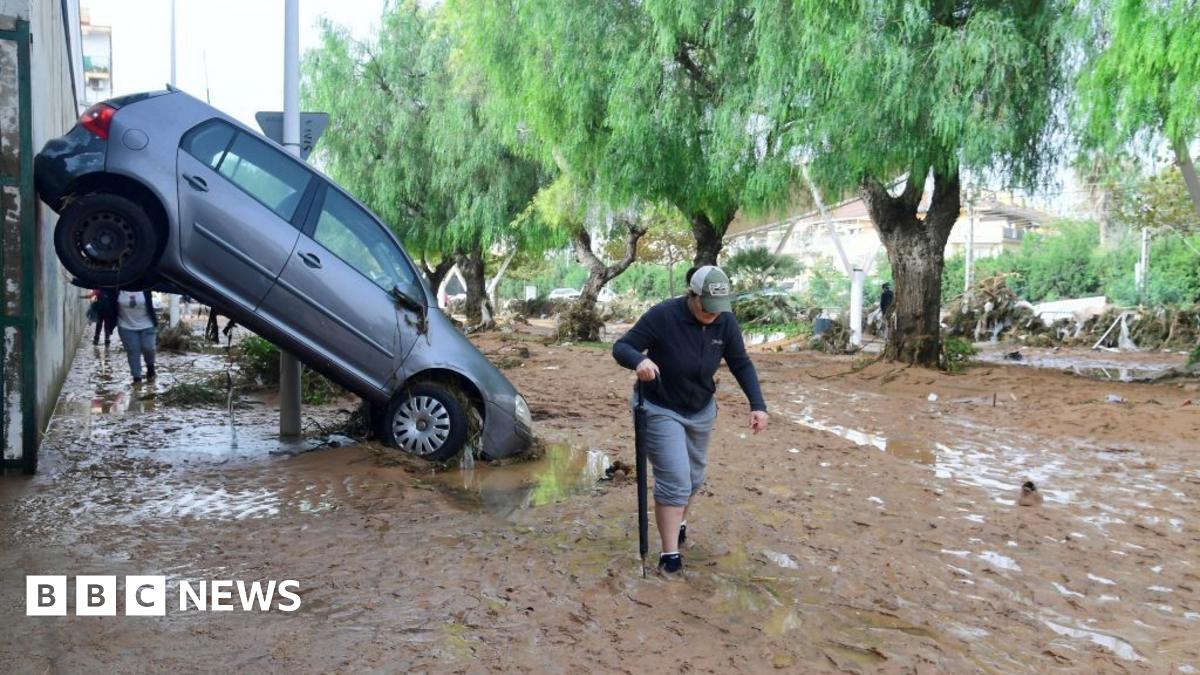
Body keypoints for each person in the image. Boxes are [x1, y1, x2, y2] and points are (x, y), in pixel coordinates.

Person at [612, 265, 769, 576]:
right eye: (707, 306)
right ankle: (669, 556)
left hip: (700, 408)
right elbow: (622, 346)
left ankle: (678, 521)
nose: (712, 314)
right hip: (659, 407)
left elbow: (740, 362)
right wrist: (639, 360)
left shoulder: (724, 321)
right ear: (692, 295)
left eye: (718, 308)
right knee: (675, 480)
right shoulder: (663, 316)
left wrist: (758, 405)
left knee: (694, 478)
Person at [116, 288, 158, 384]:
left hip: (147, 324)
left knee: (149, 347)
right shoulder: (118, 286)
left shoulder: (146, 287)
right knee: (133, 351)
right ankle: (137, 378)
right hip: (126, 325)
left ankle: (150, 367)